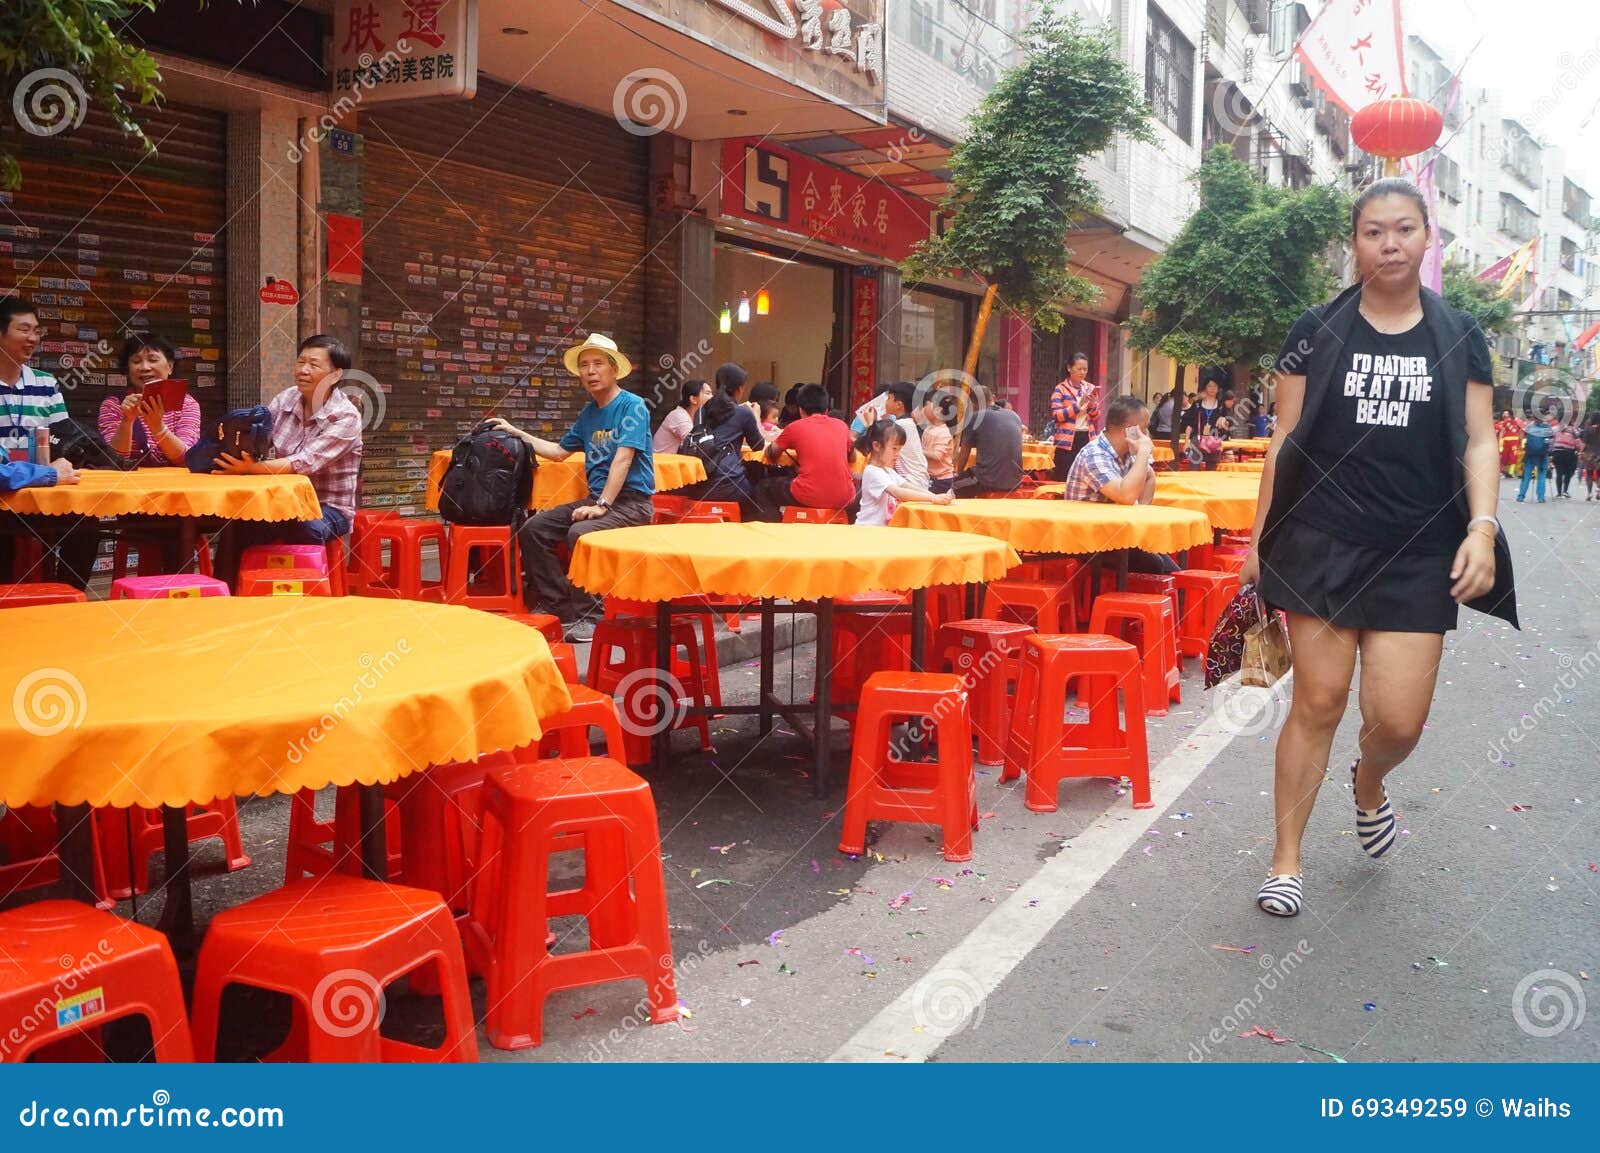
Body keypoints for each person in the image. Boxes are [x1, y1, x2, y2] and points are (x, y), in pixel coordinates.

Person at [1242, 178, 1514, 919]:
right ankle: (1286, 859)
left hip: (1420, 549)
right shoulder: (1315, 330)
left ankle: (1369, 782)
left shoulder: (1459, 333)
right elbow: (1285, 440)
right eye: (1372, 231)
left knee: (1396, 718)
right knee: (1318, 699)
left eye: (1403, 229)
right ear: (1353, 243)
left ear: (1428, 238)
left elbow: (1482, 438)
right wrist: (1259, 542)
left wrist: (1482, 528)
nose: (1389, 243)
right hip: (1321, 540)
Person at [488, 333, 654, 641]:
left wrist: (601, 505)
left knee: (580, 533)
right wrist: (515, 431)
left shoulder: (633, 408)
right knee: (534, 529)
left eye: (597, 364)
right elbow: (558, 452)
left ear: (613, 369)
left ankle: (591, 617)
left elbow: (623, 460)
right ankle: (559, 606)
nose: (590, 371)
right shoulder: (589, 413)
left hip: (632, 504)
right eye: (584, 366)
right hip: (598, 500)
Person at [213, 334, 364, 555]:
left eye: (314, 365)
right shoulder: (286, 399)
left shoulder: (345, 416)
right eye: (301, 362)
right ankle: (233, 587)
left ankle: (305, 588)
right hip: (283, 500)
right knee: (237, 522)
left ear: (335, 375)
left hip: (328, 507)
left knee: (304, 527)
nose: (303, 370)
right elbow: (261, 440)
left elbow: (305, 462)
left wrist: (250, 469)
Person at [0, 296, 98, 588]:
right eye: (24, 329)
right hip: (6, 495)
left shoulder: (45, 383)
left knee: (84, 524)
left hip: (40, 492)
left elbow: (63, 439)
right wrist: (50, 473)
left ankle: (67, 595)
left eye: (37, 331)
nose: (33, 338)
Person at [1061, 395, 1175, 574]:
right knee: (1158, 567)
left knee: (1172, 569)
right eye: (1144, 430)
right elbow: (1126, 496)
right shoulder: (1095, 454)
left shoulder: (1128, 454)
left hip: (1118, 537)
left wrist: (1139, 517)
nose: (1147, 436)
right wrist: (1144, 453)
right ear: (1130, 430)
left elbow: (1149, 477)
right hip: (1088, 543)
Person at [99, 332, 202, 466]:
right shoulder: (113, 405)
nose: (144, 368)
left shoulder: (187, 404)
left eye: (153, 360)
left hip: (174, 486)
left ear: (169, 367)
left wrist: (158, 427)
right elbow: (114, 461)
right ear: (127, 369)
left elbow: (186, 458)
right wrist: (127, 421)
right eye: (136, 361)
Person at [756, 383, 855, 520]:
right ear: (826, 409)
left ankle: (774, 529)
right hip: (844, 496)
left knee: (763, 487)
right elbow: (853, 458)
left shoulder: (794, 427)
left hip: (809, 494)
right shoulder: (842, 426)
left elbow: (771, 453)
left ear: (800, 410)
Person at [680, 388, 764, 521]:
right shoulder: (743, 413)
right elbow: (758, 445)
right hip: (728, 487)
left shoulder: (701, 411)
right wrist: (755, 415)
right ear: (740, 389)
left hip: (694, 486)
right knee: (758, 492)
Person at [855, 418, 951, 526]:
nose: (897, 454)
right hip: (868, 528)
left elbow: (907, 486)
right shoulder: (872, 472)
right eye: (894, 448)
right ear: (876, 446)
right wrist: (933, 498)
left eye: (899, 449)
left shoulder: (888, 471)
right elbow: (898, 492)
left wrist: (934, 495)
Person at [952, 388, 1024, 497]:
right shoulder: (1015, 416)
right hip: (1015, 481)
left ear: (973, 403)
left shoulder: (975, 417)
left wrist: (958, 473)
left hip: (987, 480)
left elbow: (964, 453)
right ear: (993, 398)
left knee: (947, 489)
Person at [1049, 353, 1099, 479]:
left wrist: (1092, 404)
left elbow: (1096, 416)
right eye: (1079, 369)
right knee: (1064, 474)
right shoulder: (1060, 389)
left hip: (1087, 436)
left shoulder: (1090, 388)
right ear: (1069, 368)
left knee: (1084, 475)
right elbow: (1057, 415)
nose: (1083, 372)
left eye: (1085, 369)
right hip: (1066, 440)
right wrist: (1078, 405)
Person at [882, 381, 929, 489]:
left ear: (899, 405)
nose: (886, 402)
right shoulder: (907, 423)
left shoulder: (900, 426)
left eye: (889, 398)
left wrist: (870, 424)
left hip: (911, 482)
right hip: (918, 481)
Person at [652, 379, 710, 454]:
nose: (712, 397)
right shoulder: (680, 417)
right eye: (708, 393)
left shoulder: (693, 415)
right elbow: (696, 445)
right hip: (662, 463)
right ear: (693, 399)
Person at [920, 394, 955, 495]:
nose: (924, 409)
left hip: (941, 480)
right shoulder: (928, 428)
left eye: (927, 405)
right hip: (930, 477)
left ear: (938, 410)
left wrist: (918, 451)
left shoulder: (943, 432)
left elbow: (937, 455)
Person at [1517, 410, 1553, 503]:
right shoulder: (1547, 427)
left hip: (1530, 454)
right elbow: (1550, 442)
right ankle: (1540, 497)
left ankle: (1521, 496)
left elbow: (1521, 437)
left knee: (1527, 476)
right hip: (1542, 455)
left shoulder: (1529, 427)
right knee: (1541, 476)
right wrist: (1549, 453)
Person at [1550, 417, 1581, 499]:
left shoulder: (1554, 429)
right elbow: (1577, 442)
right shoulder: (1573, 430)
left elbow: (1551, 442)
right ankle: (1565, 491)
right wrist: (1578, 450)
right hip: (1569, 453)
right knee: (1568, 473)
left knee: (1559, 473)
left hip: (1557, 453)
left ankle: (1559, 492)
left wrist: (1550, 453)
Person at [1495, 409, 1524, 476]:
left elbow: (1522, 431)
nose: (1505, 415)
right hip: (1505, 442)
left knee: (1513, 456)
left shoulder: (1517, 421)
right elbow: (1501, 433)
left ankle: (1511, 472)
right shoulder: (1501, 423)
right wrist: (1499, 441)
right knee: (1503, 457)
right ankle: (1503, 471)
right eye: (1504, 413)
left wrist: (1520, 440)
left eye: (1506, 413)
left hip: (1514, 441)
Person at [1580, 413, 1600, 500]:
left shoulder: (1588, 430)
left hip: (1589, 454)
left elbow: (1584, 443)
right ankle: (1599, 491)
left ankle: (1589, 493)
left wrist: (1580, 452)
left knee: (1589, 474)